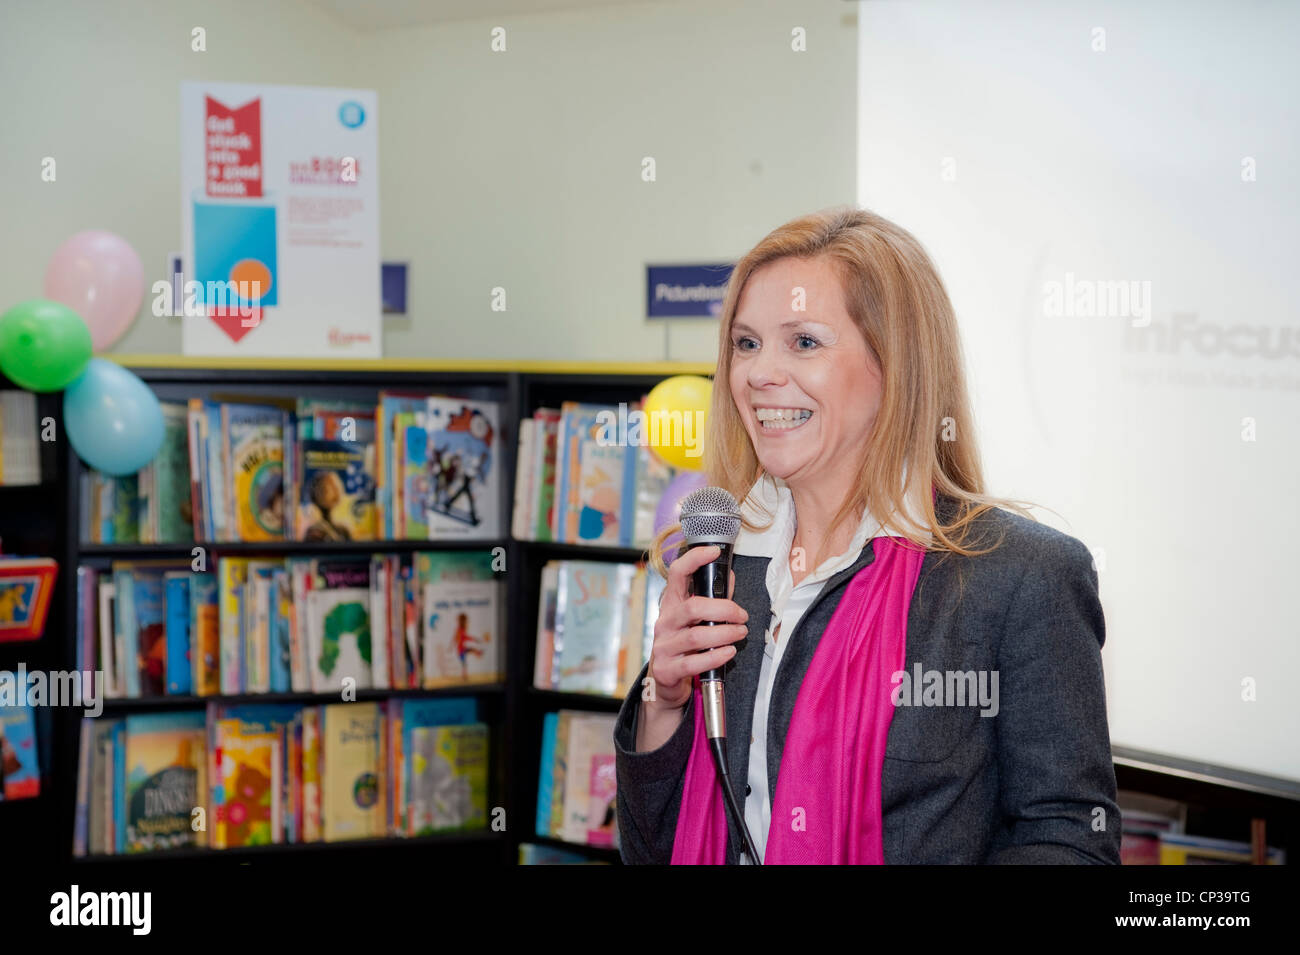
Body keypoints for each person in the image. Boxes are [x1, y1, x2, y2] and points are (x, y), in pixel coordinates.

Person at [615, 206, 1121, 865]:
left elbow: (1068, 843)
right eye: (746, 343)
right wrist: (666, 700)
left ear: (894, 366)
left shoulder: (1024, 576)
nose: (759, 372)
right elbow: (650, 850)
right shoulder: (721, 563)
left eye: (803, 342)